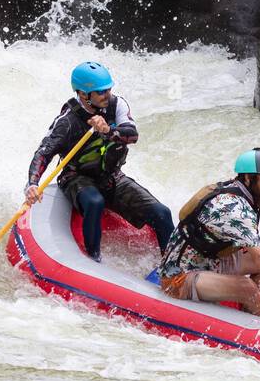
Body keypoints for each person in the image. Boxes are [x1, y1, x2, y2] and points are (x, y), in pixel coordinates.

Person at [25, 61, 174, 261]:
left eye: (109, 89)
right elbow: (43, 153)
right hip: (77, 177)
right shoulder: (67, 121)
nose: (108, 95)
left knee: (162, 213)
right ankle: (94, 259)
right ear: (84, 95)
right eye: (101, 92)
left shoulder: (117, 104)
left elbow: (133, 136)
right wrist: (33, 183)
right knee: (95, 202)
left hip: (112, 176)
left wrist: (108, 130)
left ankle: (173, 267)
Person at [159, 149, 260, 323]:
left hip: (211, 262)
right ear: (248, 178)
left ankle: (249, 310)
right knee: (248, 287)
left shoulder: (252, 193)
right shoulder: (234, 209)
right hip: (180, 277)